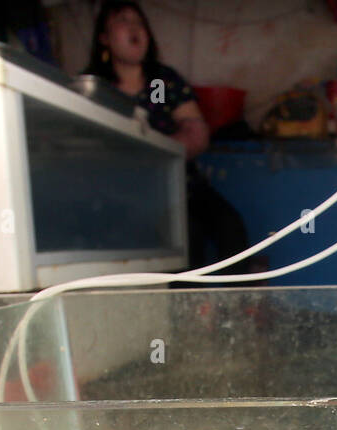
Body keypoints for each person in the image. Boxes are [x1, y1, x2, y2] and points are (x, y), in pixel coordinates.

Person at [87, 1, 250, 274]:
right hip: (119, 192)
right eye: (123, 20)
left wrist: (160, 152)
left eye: (139, 22)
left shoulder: (160, 82)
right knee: (178, 242)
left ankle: (230, 311)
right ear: (104, 38)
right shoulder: (94, 85)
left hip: (178, 185)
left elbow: (194, 129)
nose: (135, 27)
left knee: (228, 227)